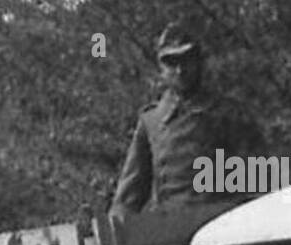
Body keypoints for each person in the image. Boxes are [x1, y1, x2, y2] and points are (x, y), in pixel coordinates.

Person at [110, 22, 266, 218]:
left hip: (223, 224)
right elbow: (128, 197)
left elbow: (261, 181)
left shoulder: (229, 114)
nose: (180, 70)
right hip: (169, 231)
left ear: (199, 62)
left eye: (186, 61)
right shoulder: (151, 121)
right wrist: (117, 229)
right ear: (161, 69)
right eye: (172, 63)